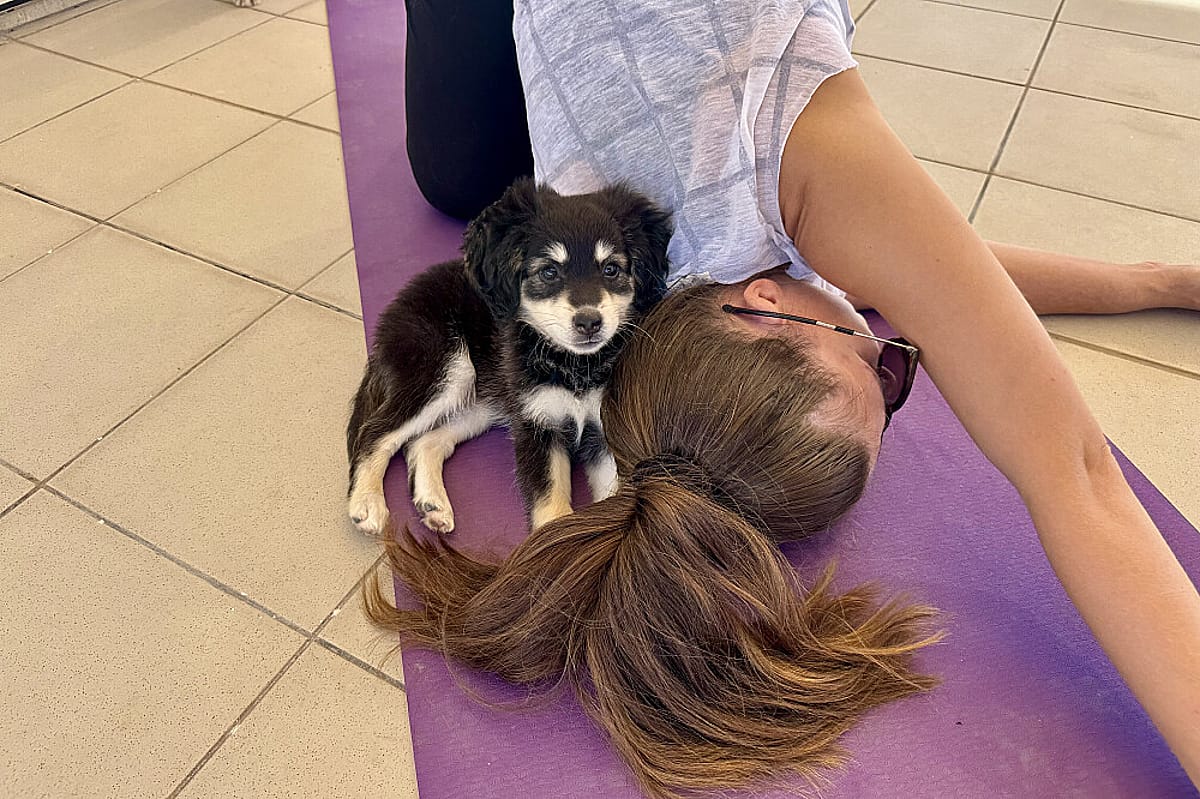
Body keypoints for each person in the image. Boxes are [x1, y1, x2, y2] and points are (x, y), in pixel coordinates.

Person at [376, 1, 1200, 796]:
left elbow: (1079, 477)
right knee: (454, 177)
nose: (892, 345)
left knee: (452, 182)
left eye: (874, 372)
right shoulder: (636, 328)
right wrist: (1155, 282)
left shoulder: (797, 152)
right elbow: (938, 269)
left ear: (766, 310)